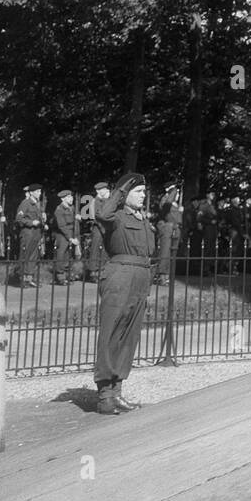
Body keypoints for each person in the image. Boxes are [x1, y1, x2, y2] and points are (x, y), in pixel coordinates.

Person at [92, 172, 155, 415]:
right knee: (112, 333)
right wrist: (120, 189)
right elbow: (101, 213)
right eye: (138, 192)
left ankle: (117, 391)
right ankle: (105, 396)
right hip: (120, 275)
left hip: (140, 276)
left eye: (143, 192)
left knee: (128, 336)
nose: (143, 196)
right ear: (125, 195)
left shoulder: (141, 219)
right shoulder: (115, 216)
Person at [14, 184, 45, 287]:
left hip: (36, 233)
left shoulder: (38, 204)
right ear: (31, 192)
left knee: (33, 257)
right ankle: (21, 278)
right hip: (28, 233)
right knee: (25, 255)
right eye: (37, 191)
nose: (39, 193)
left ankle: (29, 278)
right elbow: (19, 219)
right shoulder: (26, 203)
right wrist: (31, 223)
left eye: (40, 191)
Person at [51, 189, 81, 285]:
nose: (71, 199)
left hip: (71, 233)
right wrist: (70, 238)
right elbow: (61, 226)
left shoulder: (72, 208)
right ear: (62, 199)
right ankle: (60, 277)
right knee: (61, 255)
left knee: (69, 255)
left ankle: (68, 274)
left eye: (71, 197)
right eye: (68, 197)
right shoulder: (59, 210)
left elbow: (74, 223)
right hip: (62, 235)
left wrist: (78, 218)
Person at [154, 182, 181, 285]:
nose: (177, 194)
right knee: (165, 252)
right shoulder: (166, 200)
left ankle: (168, 276)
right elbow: (166, 207)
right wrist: (173, 191)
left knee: (172, 253)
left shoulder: (174, 203)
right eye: (175, 192)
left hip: (175, 228)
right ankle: (161, 276)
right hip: (167, 227)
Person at [87, 181, 110, 281]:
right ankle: (93, 272)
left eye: (105, 189)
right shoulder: (96, 201)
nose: (105, 191)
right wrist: (103, 229)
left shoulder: (107, 200)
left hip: (106, 227)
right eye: (103, 189)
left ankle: (103, 270)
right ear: (98, 191)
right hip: (98, 227)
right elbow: (97, 217)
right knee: (95, 249)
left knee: (105, 249)